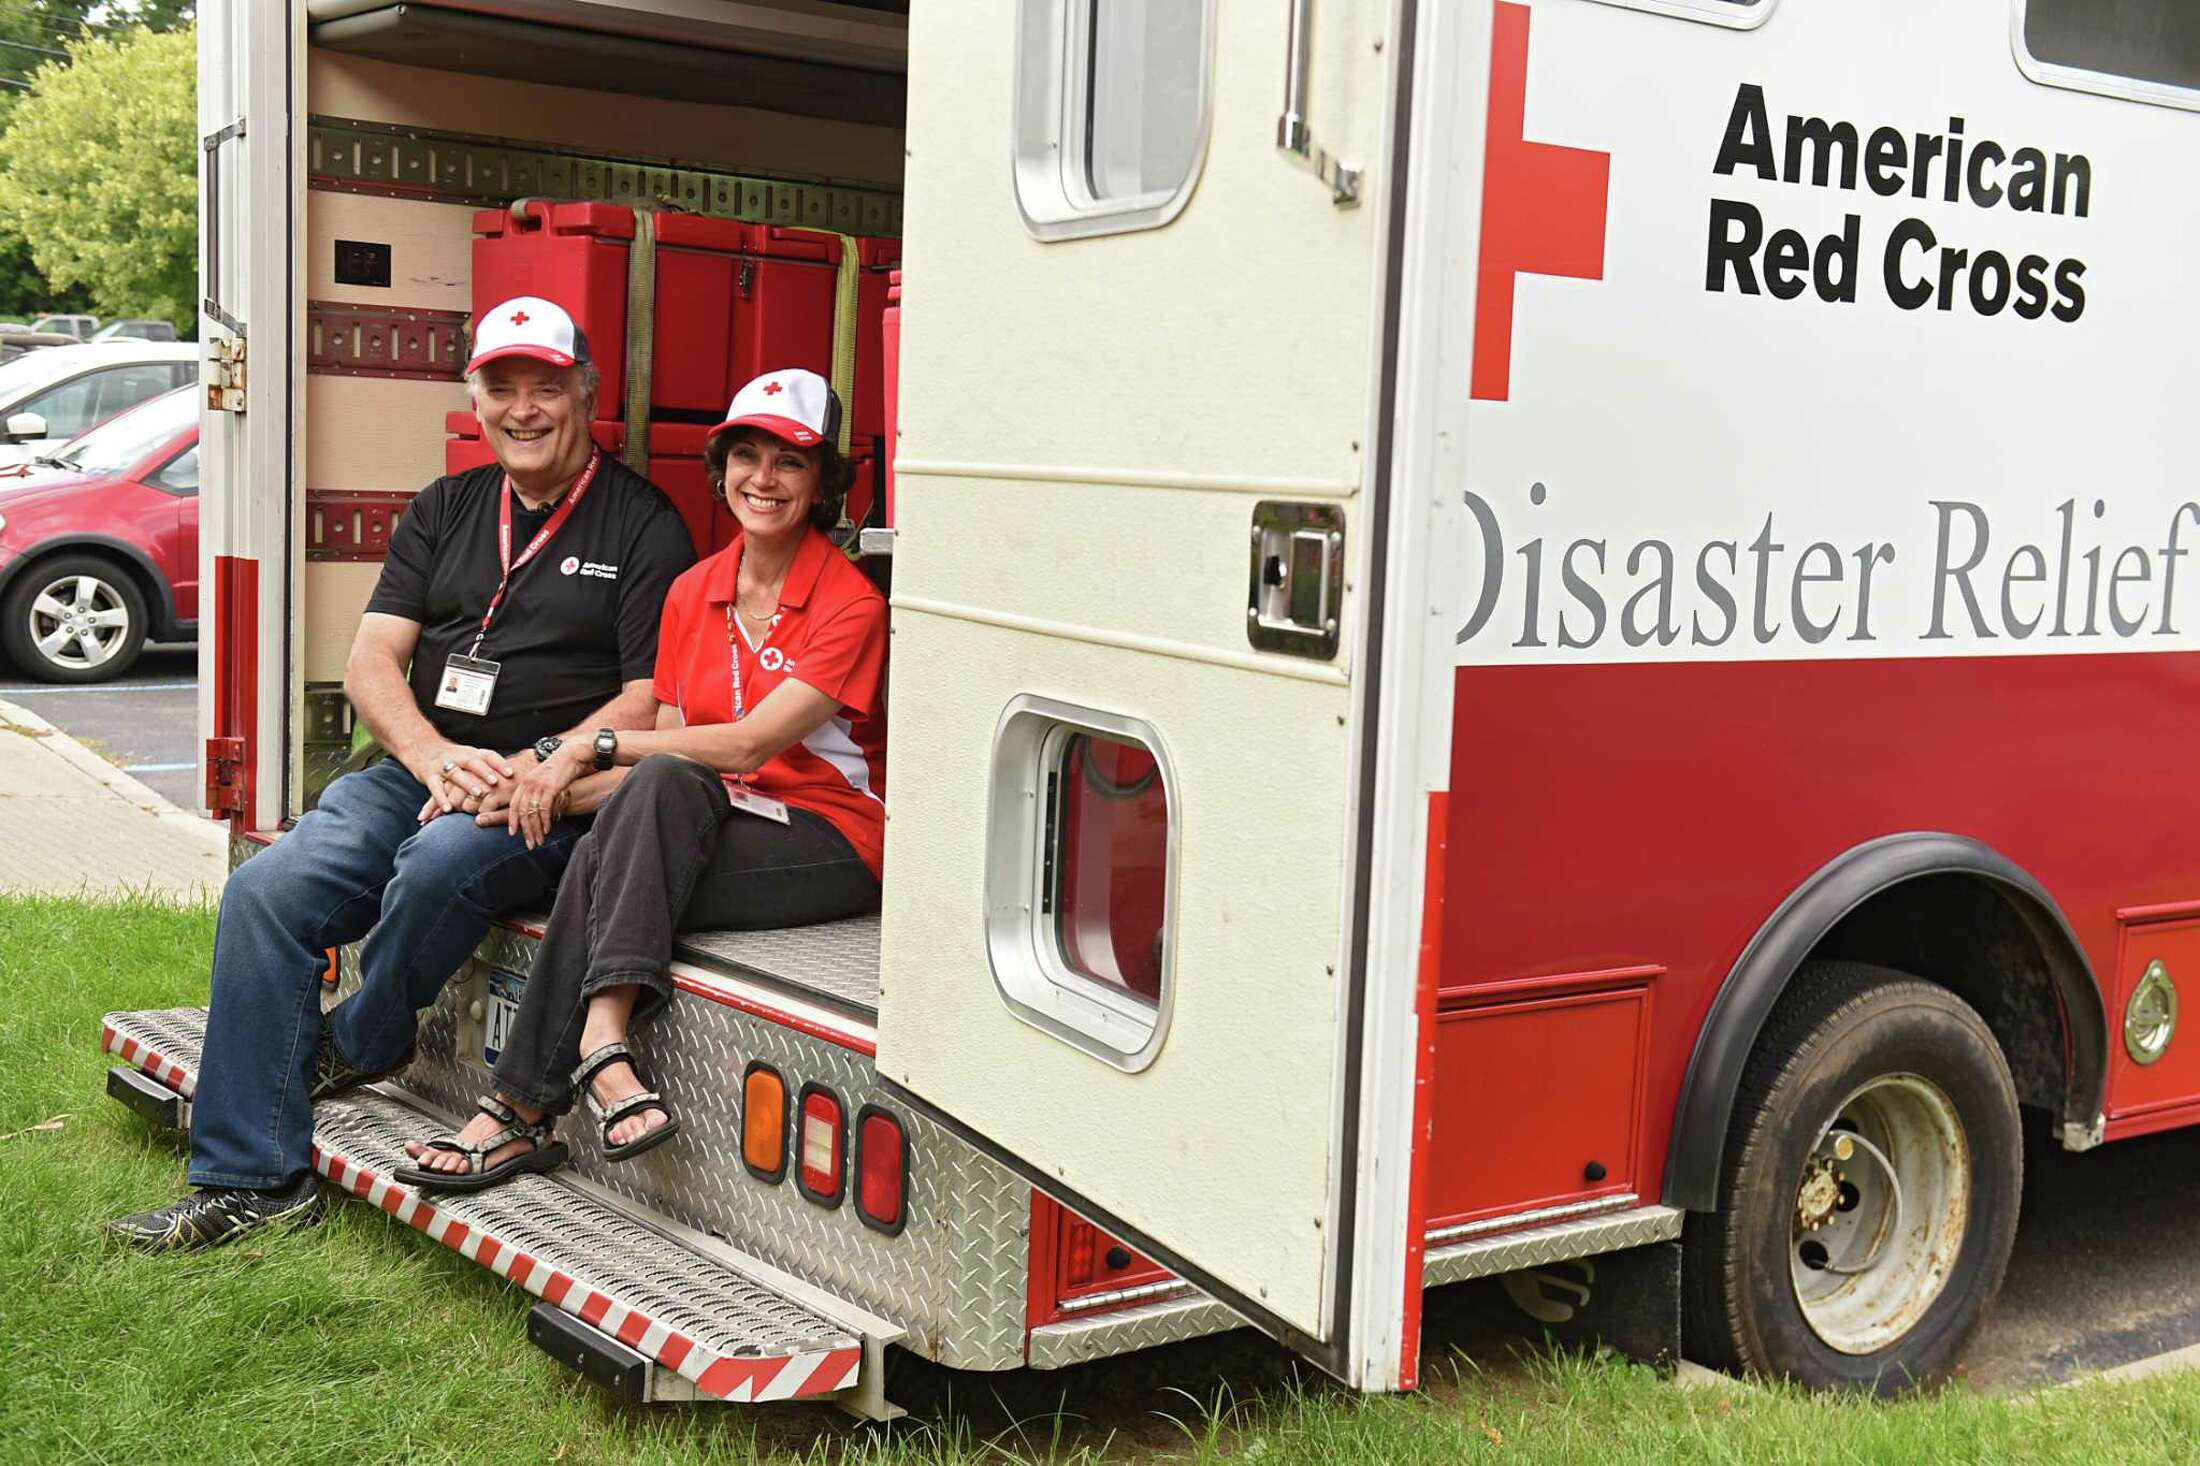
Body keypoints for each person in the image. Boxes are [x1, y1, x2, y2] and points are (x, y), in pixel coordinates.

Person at [109, 297, 697, 1248]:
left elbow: (649, 700)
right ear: (476, 399)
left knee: (436, 867)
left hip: (549, 796)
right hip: (423, 770)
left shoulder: (645, 526)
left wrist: (533, 764)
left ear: (588, 395)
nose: (522, 409)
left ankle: (363, 1038)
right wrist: (434, 757)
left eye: (545, 387)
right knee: (266, 893)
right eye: (501, 387)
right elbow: (372, 661)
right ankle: (251, 1183)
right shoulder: (446, 506)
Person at [395, 367, 886, 1190]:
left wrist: (584, 749)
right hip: (714, 811)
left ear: (822, 482)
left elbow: (747, 745)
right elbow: (666, 753)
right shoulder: (695, 591)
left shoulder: (850, 603)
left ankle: (525, 1100)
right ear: (722, 469)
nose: (764, 479)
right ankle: (594, 1057)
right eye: (747, 456)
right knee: (641, 804)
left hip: (827, 835)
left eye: (791, 461)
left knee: (617, 839)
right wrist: (538, 791)